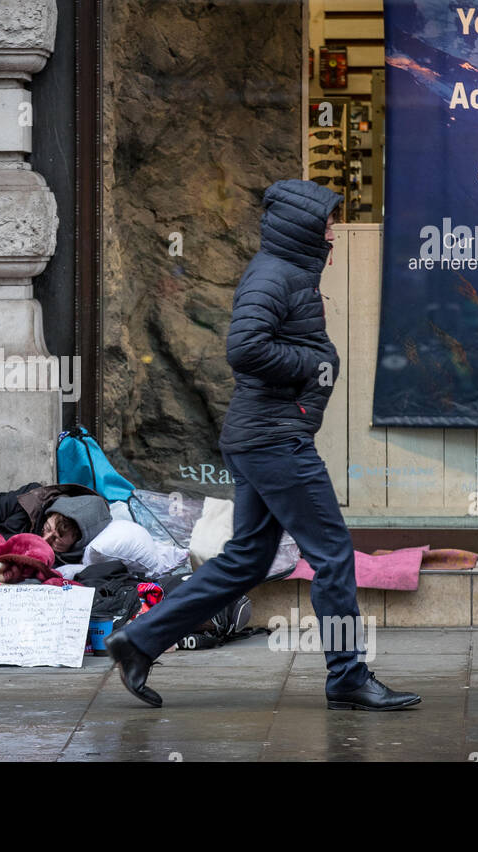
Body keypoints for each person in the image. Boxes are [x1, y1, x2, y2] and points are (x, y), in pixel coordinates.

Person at [106, 179, 421, 712]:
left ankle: (138, 641)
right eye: (327, 224)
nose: (334, 234)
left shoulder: (288, 272)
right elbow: (245, 348)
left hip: (263, 437)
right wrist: (316, 364)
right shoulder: (274, 276)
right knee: (333, 555)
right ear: (303, 226)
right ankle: (347, 675)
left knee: (248, 558)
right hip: (275, 440)